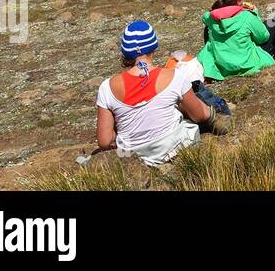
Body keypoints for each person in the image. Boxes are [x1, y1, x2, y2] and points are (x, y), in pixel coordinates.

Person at [95, 20, 223, 166]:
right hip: (174, 146)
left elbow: (104, 141)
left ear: (125, 51)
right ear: (153, 47)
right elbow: (199, 115)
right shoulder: (174, 76)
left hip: (132, 155)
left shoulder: (106, 88)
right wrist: (208, 112)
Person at [197, 0, 275, 81]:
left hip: (223, 64)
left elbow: (206, 17)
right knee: (271, 23)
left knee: (208, 28)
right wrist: (254, 12)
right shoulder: (247, 16)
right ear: (239, 0)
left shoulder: (210, 17)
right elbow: (263, 37)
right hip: (246, 63)